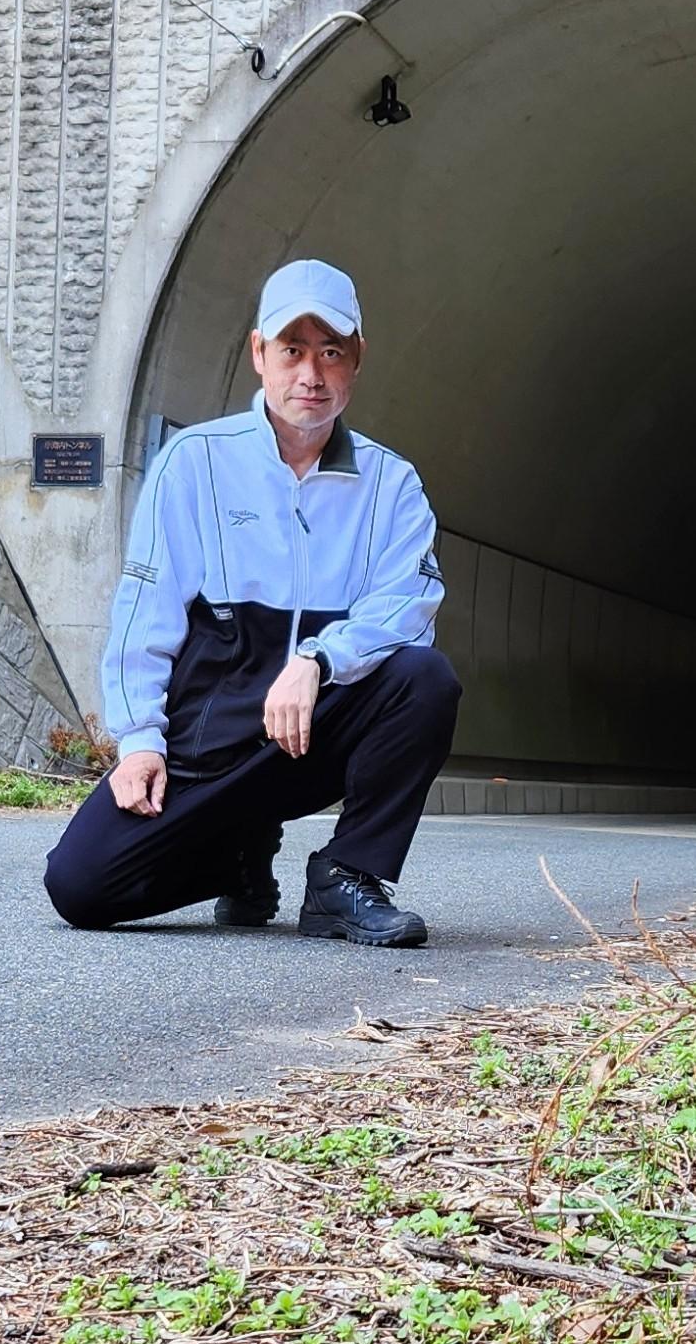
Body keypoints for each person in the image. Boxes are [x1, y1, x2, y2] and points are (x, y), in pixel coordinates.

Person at [43, 259, 461, 947]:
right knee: (81, 887)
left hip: (316, 726)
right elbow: (145, 611)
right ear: (258, 354)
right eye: (293, 351)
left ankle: (346, 878)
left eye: (331, 353)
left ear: (357, 360)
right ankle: (238, 855)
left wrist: (317, 660)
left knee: (424, 678)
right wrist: (140, 739)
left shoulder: (393, 485)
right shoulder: (195, 461)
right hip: (210, 738)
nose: (311, 376)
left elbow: (409, 603)